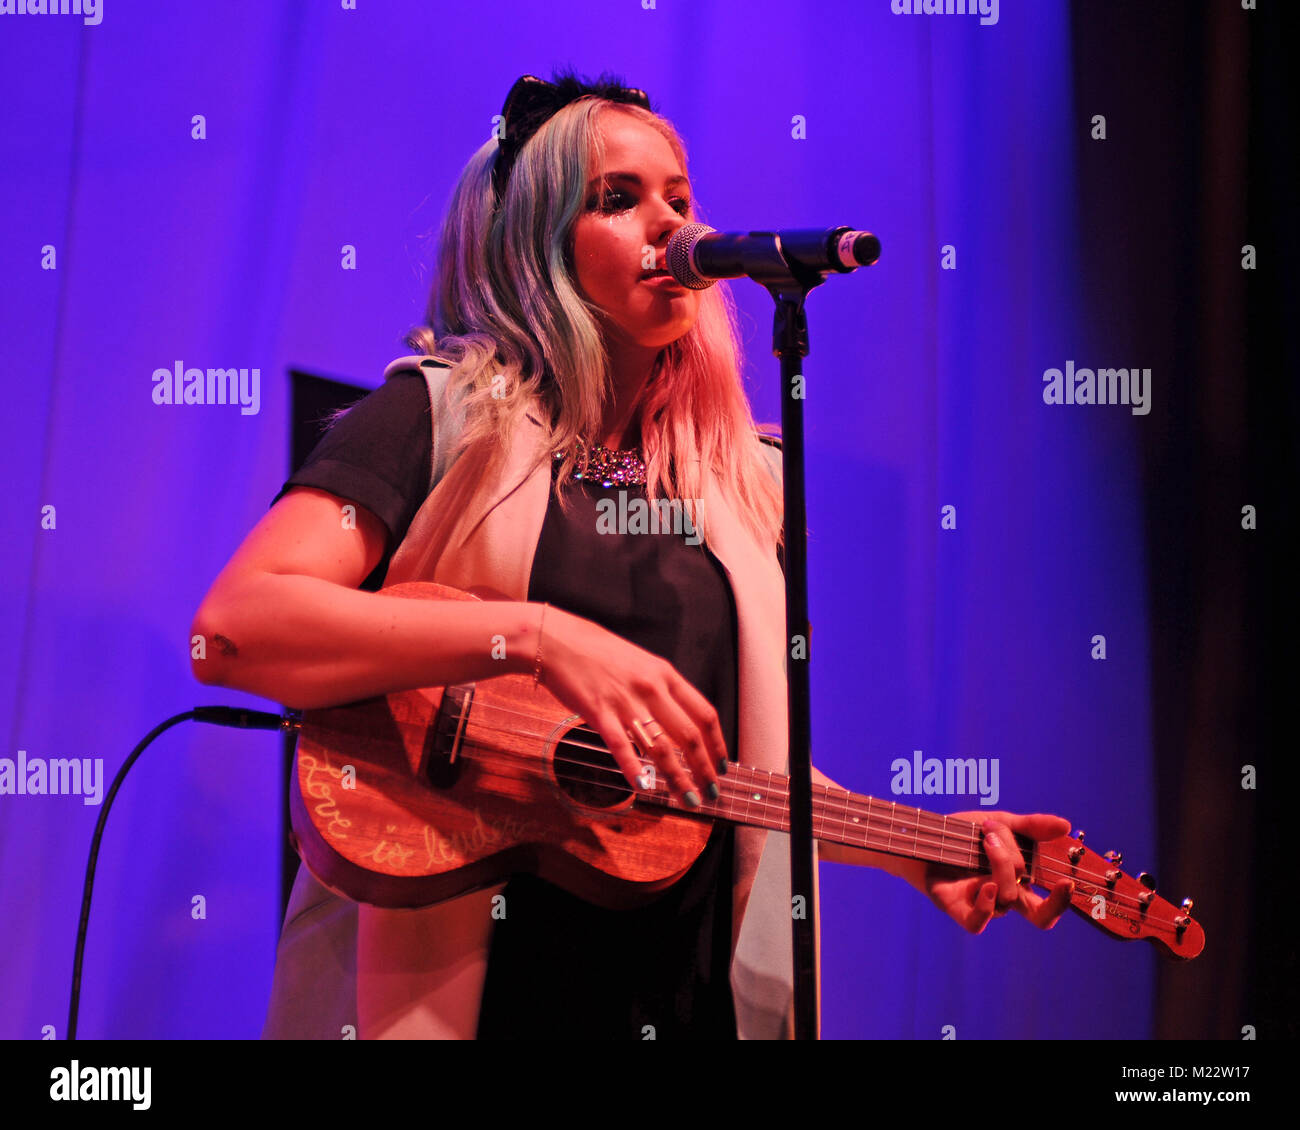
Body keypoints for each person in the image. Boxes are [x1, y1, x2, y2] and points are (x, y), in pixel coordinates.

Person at [190, 69, 1074, 1040]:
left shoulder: (749, 486)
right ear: (537, 245)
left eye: (680, 199)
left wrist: (918, 845)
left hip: (686, 994)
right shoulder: (436, 419)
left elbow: (722, 767)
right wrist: (536, 636)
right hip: (470, 992)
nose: (670, 225)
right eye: (617, 199)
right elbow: (235, 632)